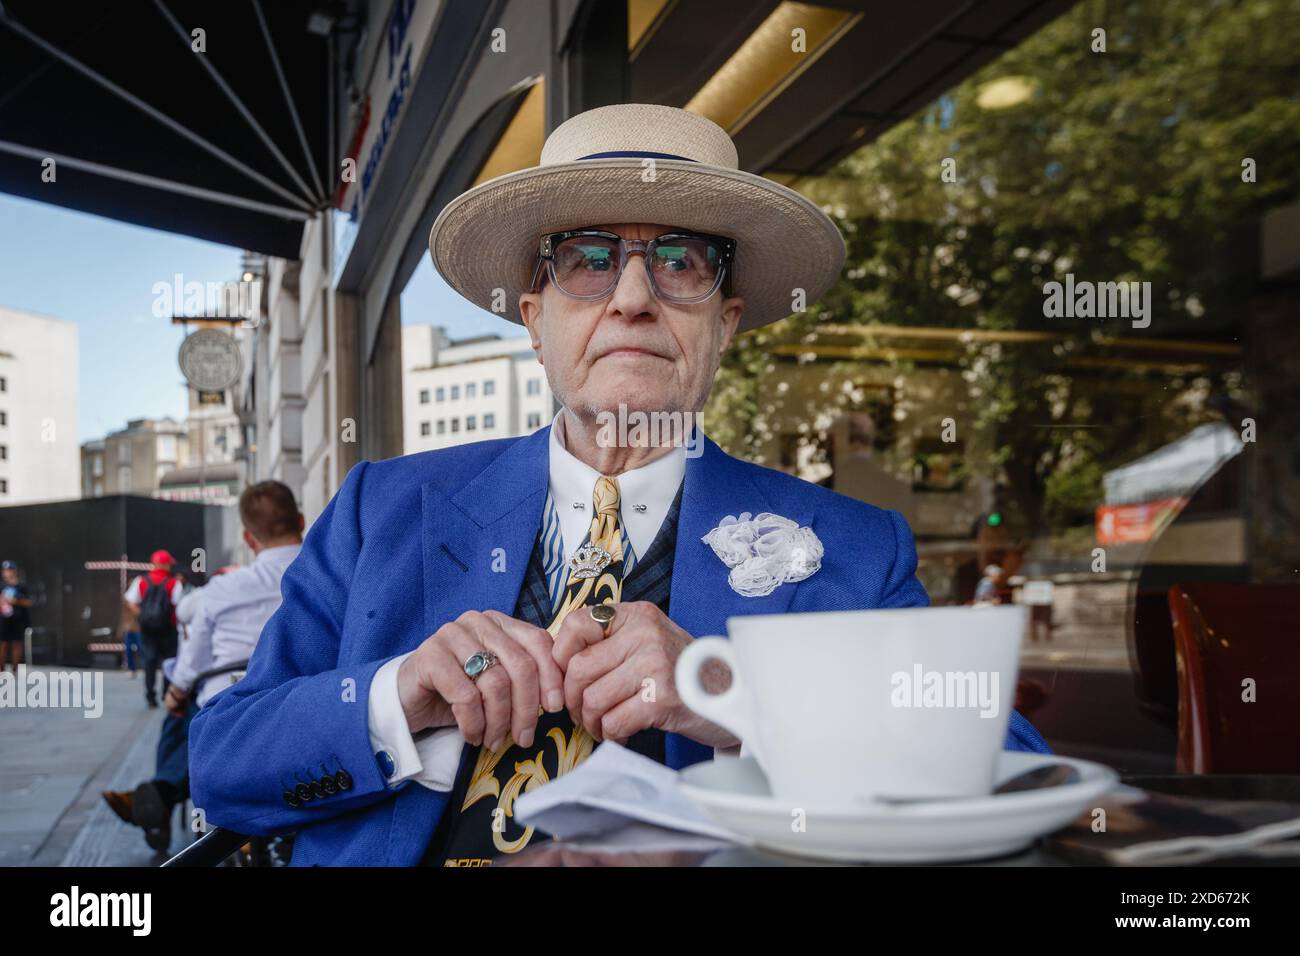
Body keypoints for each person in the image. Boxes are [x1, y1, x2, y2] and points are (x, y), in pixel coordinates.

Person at [190, 103, 1050, 867]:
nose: (634, 297)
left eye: (681, 263)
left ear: (725, 324)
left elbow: (1002, 777)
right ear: (535, 320)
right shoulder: (385, 507)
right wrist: (400, 693)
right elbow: (225, 764)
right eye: (587, 259)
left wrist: (732, 689)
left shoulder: (855, 547)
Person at [102, 482, 304, 852]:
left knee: (182, 716)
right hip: (308, 708)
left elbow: (193, 658)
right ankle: (169, 797)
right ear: (302, 521)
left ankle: (166, 796)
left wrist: (176, 692)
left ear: (248, 537)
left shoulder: (223, 590)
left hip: (230, 710)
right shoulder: (329, 577)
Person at [123, 550, 182, 707]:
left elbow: (130, 601)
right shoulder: (173, 583)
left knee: (149, 662)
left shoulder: (141, 581)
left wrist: (142, 616)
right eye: (169, 563)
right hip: (168, 629)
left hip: (148, 629)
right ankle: (166, 693)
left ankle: (150, 696)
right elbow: (179, 606)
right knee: (169, 662)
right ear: (164, 564)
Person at [1, 561, 32, 673]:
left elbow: (29, 602)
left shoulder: (22, 586)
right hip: (3, 620)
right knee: (2, 645)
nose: (6, 573)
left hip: (18, 620)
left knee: (16, 644)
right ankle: (2, 671)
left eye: (8, 570)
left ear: (14, 571)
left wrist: (16, 601)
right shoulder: (1, 586)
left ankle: (14, 671)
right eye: (4, 570)